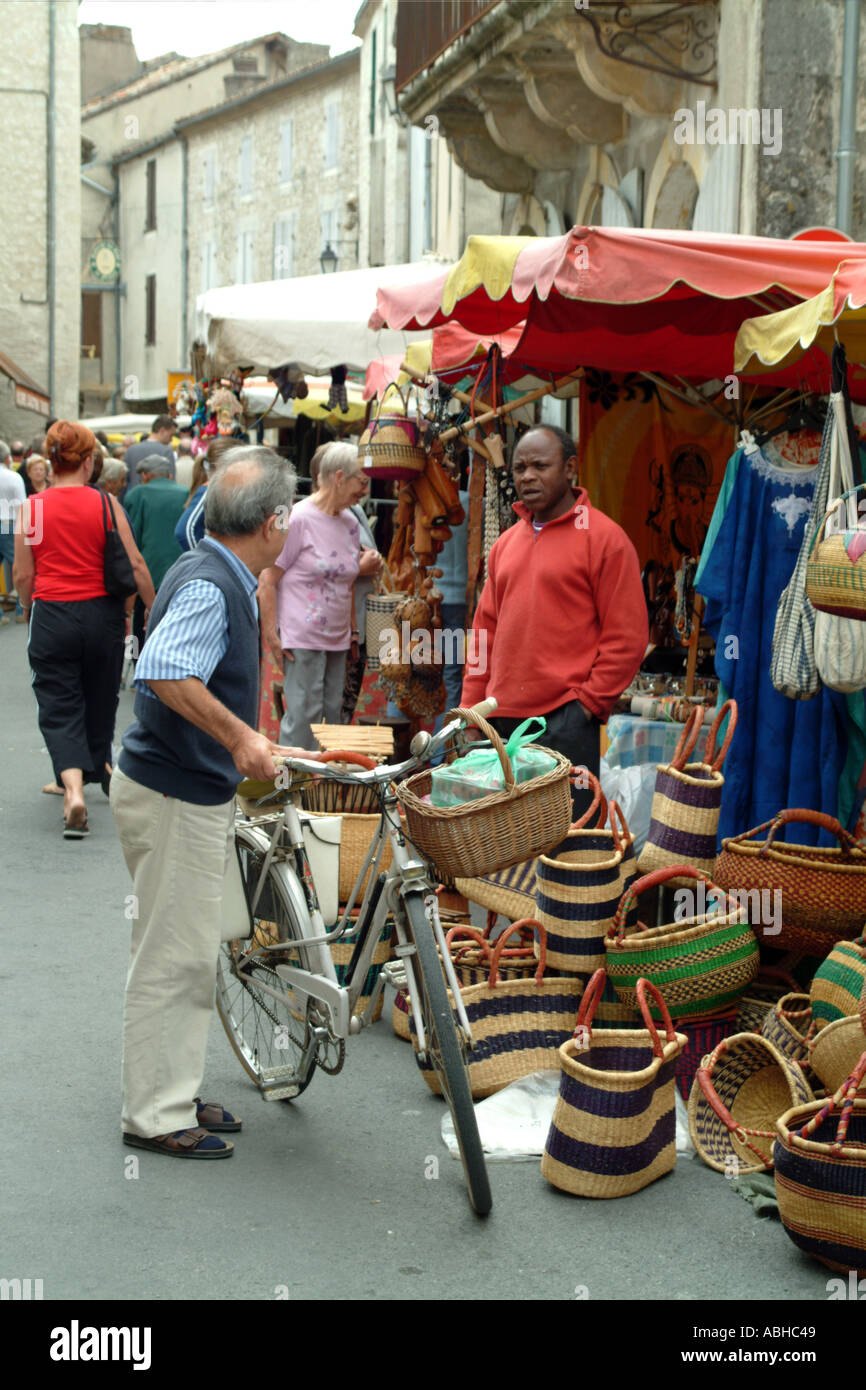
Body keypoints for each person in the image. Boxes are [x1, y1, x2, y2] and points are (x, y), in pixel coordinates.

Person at [109, 445, 313, 1159]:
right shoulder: (211, 580)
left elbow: (203, 514)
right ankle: (156, 1114)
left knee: (183, 948)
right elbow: (164, 670)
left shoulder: (214, 557)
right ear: (271, 520)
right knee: (175, 955)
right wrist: (239, 740)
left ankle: (169, 1086)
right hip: (173, 790)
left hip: (173, 786)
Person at [460, 424, 648, 820]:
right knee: (500, 848)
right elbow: (483, 636)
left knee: (567, 844)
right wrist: (471, 713)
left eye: (540, 466)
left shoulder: (605, 539)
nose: (527, 476)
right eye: (519, 468)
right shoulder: (505, 544)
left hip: (566, 723)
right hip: (499, 725)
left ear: (571, 469)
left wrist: (586, 705)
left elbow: (627, 638)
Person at [13, 420, 155, 835]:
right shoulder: (107, 505)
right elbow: (135, 564)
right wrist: (154, 609)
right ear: (90, 461)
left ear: (51, 461)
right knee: (99, 694)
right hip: (103, 616)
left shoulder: (33, 508)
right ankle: (104, 764)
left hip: (53, 612)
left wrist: (28, 607)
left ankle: (72, 790)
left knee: (58, 699)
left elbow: (24, 575)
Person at [258, 442, 381, 748]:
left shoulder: (351, 523)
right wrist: (272, 633)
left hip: (338, 640)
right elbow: (267, 578)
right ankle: (290, 788)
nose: (364, 491)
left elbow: (347, 581)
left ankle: (321, 792)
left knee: (333, 721)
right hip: (302, 638)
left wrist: (352, 630)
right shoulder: (297, 518)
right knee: (303, 720)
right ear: (339, 476)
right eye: (361, 482)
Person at [124, 455, 188, 659]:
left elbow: (133, 536)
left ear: (145, 475)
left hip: (148, 571)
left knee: (138, 623)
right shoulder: (186, 493)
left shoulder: (137, 494)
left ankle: (136, 660)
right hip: (180, 569)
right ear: (169, 474)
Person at [174, 435, 238, 552]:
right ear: (224, 463)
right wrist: (201, 561)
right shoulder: (209, 490)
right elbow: (185, 530)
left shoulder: (218, 490)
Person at [0, 441, 26, 625]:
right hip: (9, 523)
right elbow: (21, 505)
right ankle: (20, 607)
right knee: (17, 566)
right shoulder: (13, 477)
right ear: (7, 458)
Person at [123, 415, 176, 492]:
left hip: (136, 499)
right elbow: (171, 481)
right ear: (162, 431)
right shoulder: (166, 451)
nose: (171, 439)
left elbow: (124, 483)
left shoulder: (131, 450)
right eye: (171, 435)